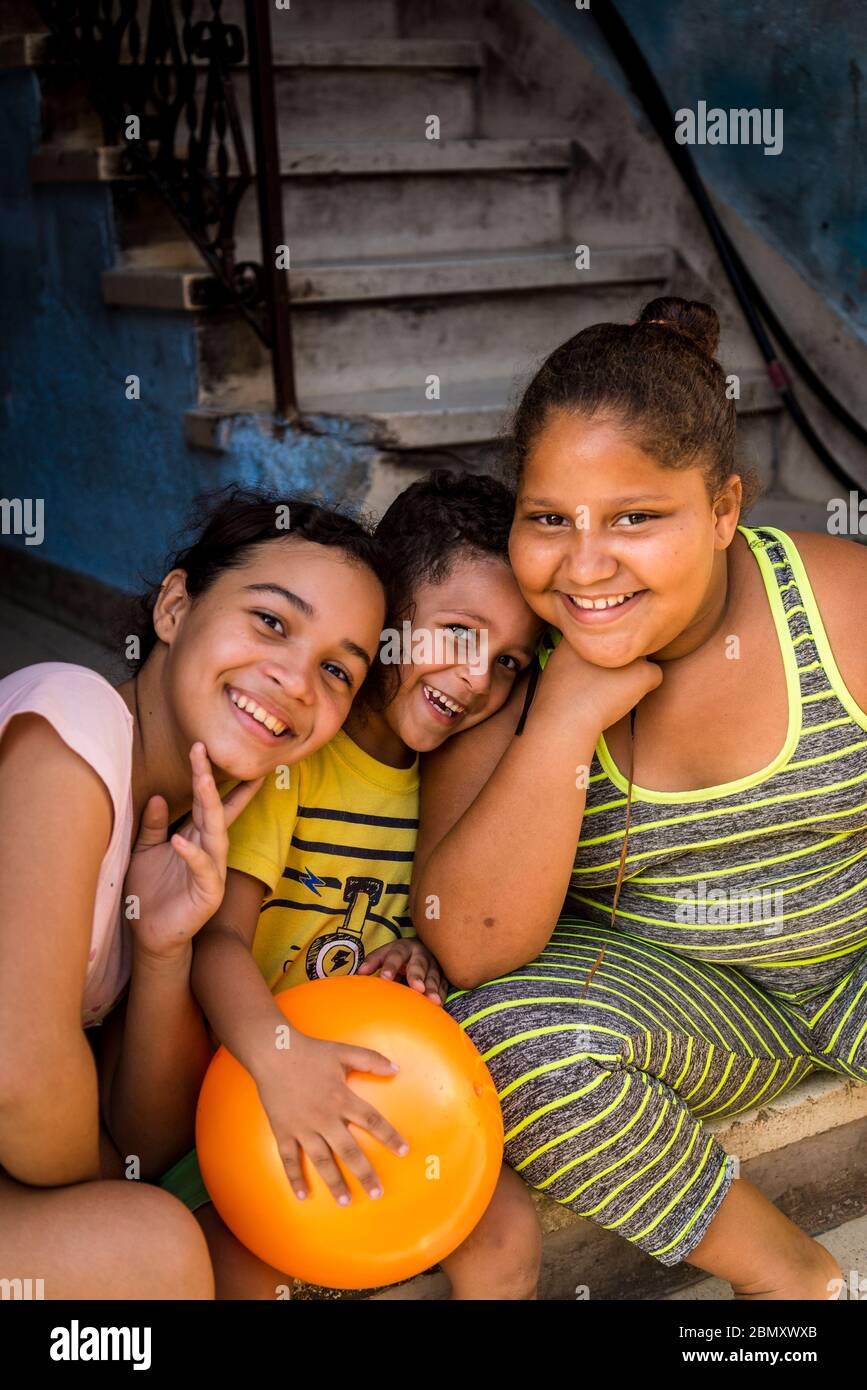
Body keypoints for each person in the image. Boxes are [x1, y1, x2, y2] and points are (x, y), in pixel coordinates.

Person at [411, 298, 866, 1300]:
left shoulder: (840, 610)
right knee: (502, 1034)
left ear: (723, 510)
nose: (584, 566)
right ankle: (790, 1277)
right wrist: (564, 719)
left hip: (854, 957)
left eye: (635, 518)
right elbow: (470, 945)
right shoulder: (513, 671)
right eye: (548, 520)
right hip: (694, 1003)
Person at [161, 471, 546, 1299]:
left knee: (507, 1235)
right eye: (455, 634)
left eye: (509, 661)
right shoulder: (290, 760)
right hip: (244, 1092)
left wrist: (418, 952)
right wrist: (280, 1059)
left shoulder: (454, 792)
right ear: (386, 621)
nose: (478, 678)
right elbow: (215, 940)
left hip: (381, 1102)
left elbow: (439, 933)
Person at [0, 485, 389, 1299]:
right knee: (152, 1248)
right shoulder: (71, 728)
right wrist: (113, 1187)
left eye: (336, 671)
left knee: (153, 1248)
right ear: (175, 608)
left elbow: (148, 1136)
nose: (293, 679)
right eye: (272, 622)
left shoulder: (176, 836)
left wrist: (164, 945)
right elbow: (20, 1076)